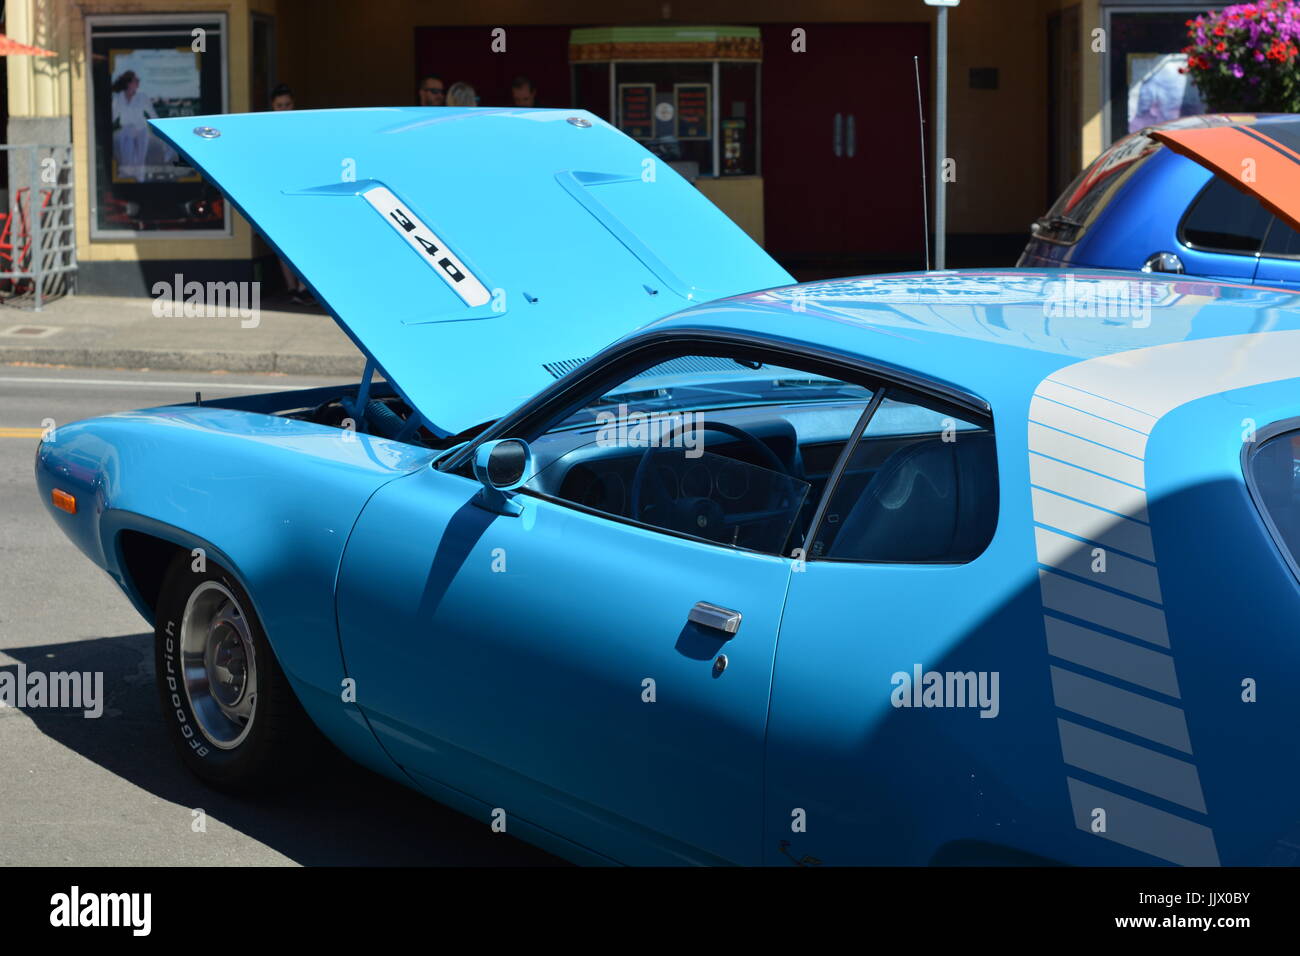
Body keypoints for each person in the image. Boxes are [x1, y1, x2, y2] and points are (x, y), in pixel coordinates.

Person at [267, 83, 313, 305]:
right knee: (281, 242)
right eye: (279, 106)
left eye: (287, 105)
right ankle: (291, 288)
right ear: (272, 107)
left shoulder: (302, 129)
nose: (283, 109)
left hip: (299, 191)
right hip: (277, 192)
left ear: (293, 105)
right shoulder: (266, 131)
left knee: (303, 239)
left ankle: (305, 287)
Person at [110, 71, 156, 181]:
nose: (138, 83)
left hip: (141, 130)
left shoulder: (142, 96)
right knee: (127, 156)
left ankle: (140, 180)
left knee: (141, 159)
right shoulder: (119, 97)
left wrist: (161, 128)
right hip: (127, 130)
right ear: (128, 83)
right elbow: (113, 114)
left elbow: (152, 113)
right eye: (136, 81)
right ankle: (127, 178)